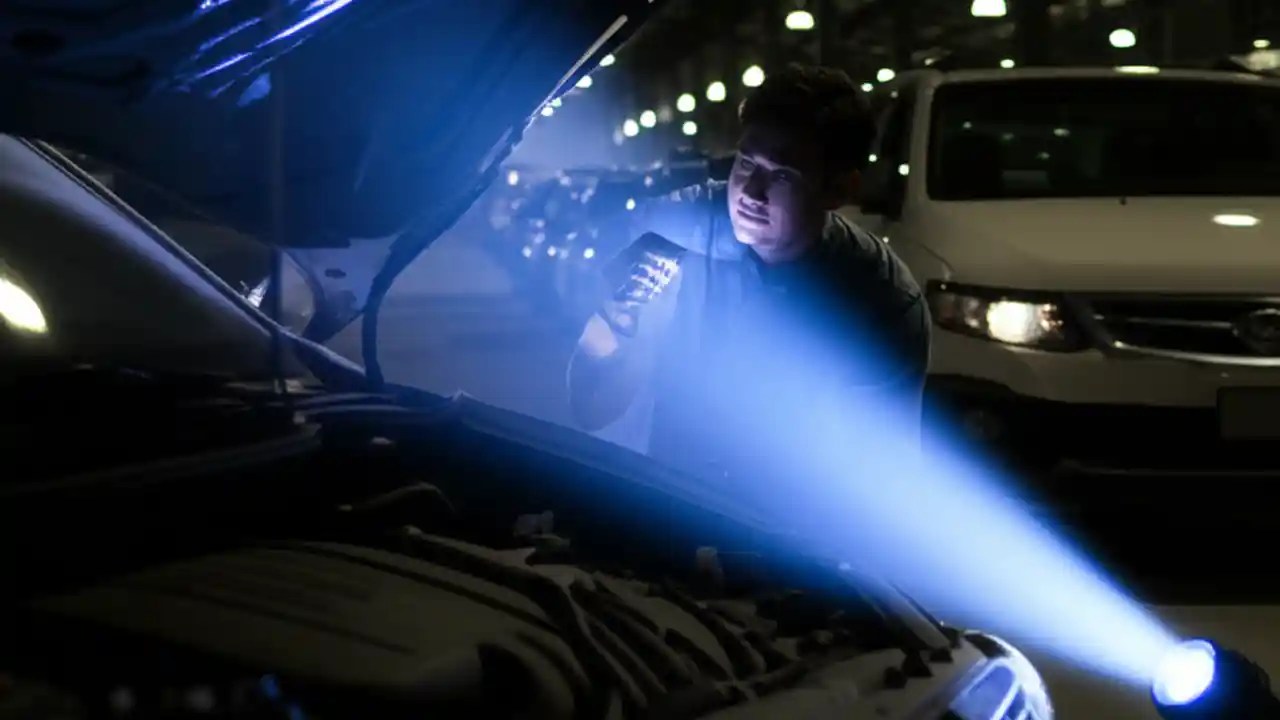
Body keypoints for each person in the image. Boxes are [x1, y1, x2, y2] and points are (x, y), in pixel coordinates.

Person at [566, 64, 930, 484]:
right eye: (745, 163)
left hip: (797, 527)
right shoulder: (672, 233)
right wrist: (616, 325)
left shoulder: (881, 298)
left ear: (839, 190)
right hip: (672, 503)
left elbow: (881, 476)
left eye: (782, 175)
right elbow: (591, 407)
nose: (751, 193)